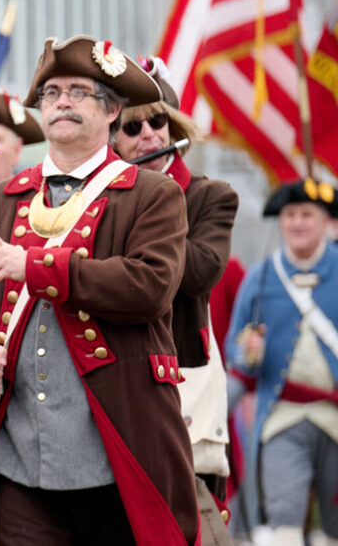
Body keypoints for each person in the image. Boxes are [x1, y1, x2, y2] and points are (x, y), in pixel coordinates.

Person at [0, 34, 197, 544]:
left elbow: (150, 287)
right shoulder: (0, 201)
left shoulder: (153, 194)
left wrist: (33, 266)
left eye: (79, 91)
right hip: (17, 463)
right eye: (52, 91)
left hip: (120, 452)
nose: (61, 101)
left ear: (112, 111)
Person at [113, 56, 239, 544]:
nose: (148, 134)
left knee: (188, 522)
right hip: (115, 373)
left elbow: (201, 271)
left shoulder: (211, 196)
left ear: (174, 124)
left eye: (158, 120)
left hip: (183, 377)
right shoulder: (99, 194)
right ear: (114, 137)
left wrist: (145, 209)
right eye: (132, 125)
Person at [225, 179, 338, 546]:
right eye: (290, 215)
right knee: (284, 516)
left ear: (326, 221)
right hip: (282, 416)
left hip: (335, 416)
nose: (298, 223)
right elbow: (236, 353)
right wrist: (248, 351)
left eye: (307, 214)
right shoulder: (260, 278)